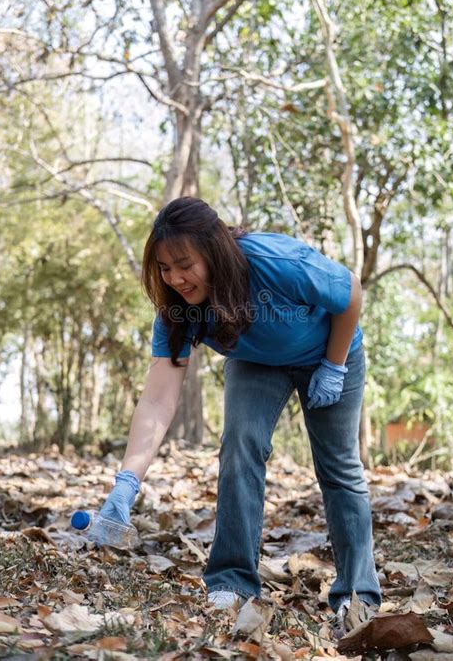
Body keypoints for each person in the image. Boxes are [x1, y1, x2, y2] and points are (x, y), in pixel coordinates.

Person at [99, 196, 381, 629]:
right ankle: (232, 582)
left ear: (212, 251)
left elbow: (351, 293)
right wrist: (126, 482)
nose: (175, 278)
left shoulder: (275, 260)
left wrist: (334, 364)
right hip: (255, 363)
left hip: (331, 351)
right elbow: (157, 399)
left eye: (184, 264)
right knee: (239, 449)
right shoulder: (178, 310)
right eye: (163, 268)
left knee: (339, 465)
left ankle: (358, 594)